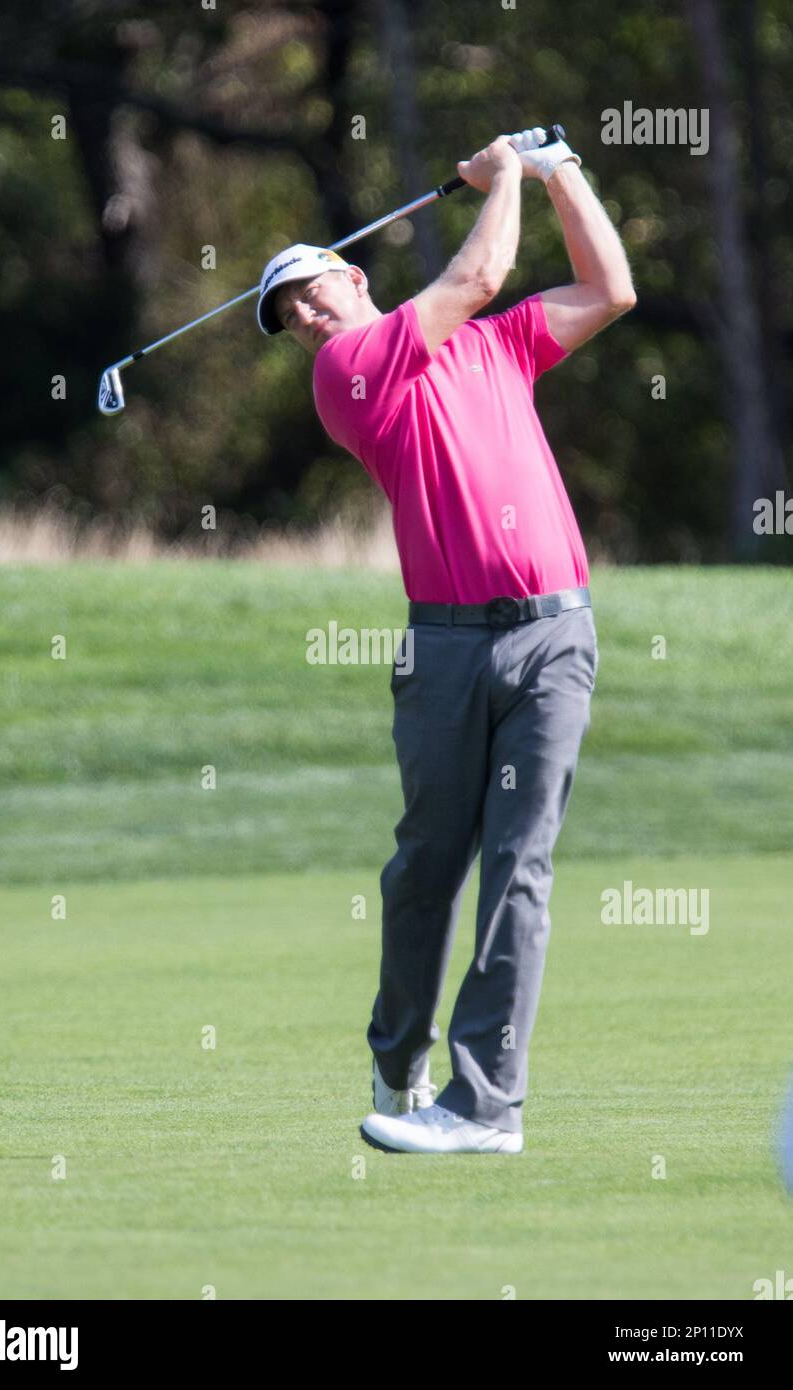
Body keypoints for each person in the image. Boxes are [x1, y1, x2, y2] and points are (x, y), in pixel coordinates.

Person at [256, 127, 636, 1154]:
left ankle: (484, 1107)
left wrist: (561, 172)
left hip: (554, 636)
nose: (303, 315)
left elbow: (610, 289)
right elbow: (477, 273)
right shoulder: (348, 374)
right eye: (287, 315)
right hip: (448, 651)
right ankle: (398, 1058)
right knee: (427, 864)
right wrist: (507, 172)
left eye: (309, 291)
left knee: (520, 868)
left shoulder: (494, 347)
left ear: (354, 274)